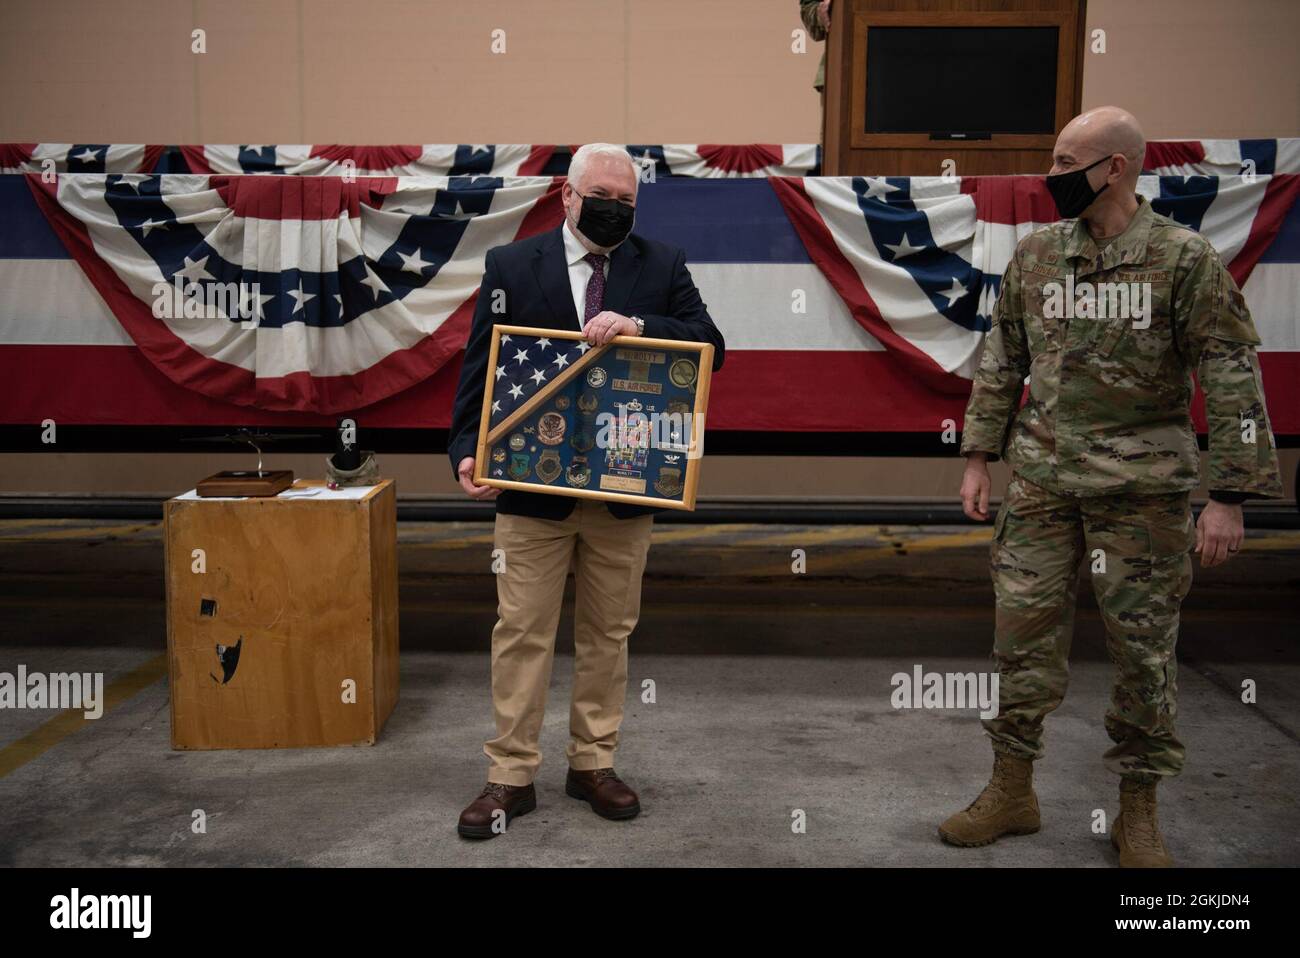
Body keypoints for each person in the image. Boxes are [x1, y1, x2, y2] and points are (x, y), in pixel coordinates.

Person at [943, 106, 1283, 867]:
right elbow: (1003, 362)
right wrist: (978, 456)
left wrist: (1228, 495)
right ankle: (1012, 790)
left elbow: (1231, 375)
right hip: (1043, 482)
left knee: (1143, 652)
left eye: (1067, 162)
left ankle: (1138, 810)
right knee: (1020, 637)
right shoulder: (1037, 257)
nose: (1052, 175)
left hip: (1143, 492)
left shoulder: (1181, 259)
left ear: (1115, 168)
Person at [447, 143, 726, 838]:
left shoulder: (661, 266)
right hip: (528, 492)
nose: (613, 207)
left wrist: (639, 326)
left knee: (608, 634)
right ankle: (510, 776)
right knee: (520, 634)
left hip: (625, 490)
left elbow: (712, 344)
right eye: (600, 193)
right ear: (567, 196)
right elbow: (480, 366)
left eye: (626, 199)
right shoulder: (512, 266)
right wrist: (463, 450)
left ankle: (592, 764)